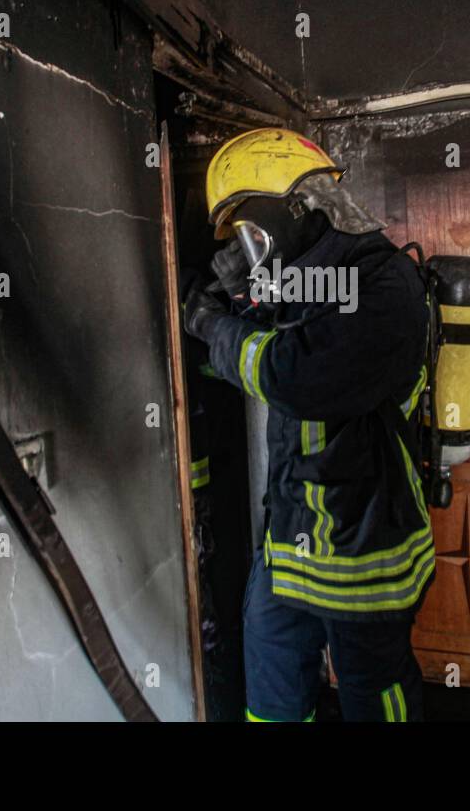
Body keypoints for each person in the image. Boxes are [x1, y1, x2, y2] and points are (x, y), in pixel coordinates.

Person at [181, 127, 433, 722]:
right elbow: (262, 346)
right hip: (292, 536)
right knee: (270, 677)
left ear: (298, 208)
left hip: (365, 545)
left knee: (373, 686)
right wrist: (221, 300)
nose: (248, 249)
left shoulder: (384, 284)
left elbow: (294, 376)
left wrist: (211, 327)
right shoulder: (303, 283)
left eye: (250, 231)